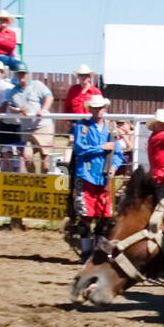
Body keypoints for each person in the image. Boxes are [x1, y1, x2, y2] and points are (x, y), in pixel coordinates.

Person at [71, 95, 124, 259]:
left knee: (105, 215)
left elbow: (118, 153)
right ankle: (86, 251)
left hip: (103, 177)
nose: (98, 111)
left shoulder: (111, 129)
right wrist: (102, 147)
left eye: (100, 107)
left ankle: (96, 250)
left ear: (104, 108)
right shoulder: (82, 127)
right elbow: (79, 149)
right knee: (86, 215)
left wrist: (114, 166)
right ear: (91, 109)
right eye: (95, 108)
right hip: (86, 175)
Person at [8, 64, 55, 173]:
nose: (21, 76)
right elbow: (10, 107)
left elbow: (49, 97)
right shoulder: (13, 91)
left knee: (45, 157)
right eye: (19, 73)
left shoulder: (37, 85)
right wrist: (18, 110)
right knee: (27, 156)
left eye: (23, 73)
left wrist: (43, 110)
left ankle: (44, 183)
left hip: (43, 126)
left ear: (28, 74)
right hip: (27, 129)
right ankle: (34, 181)